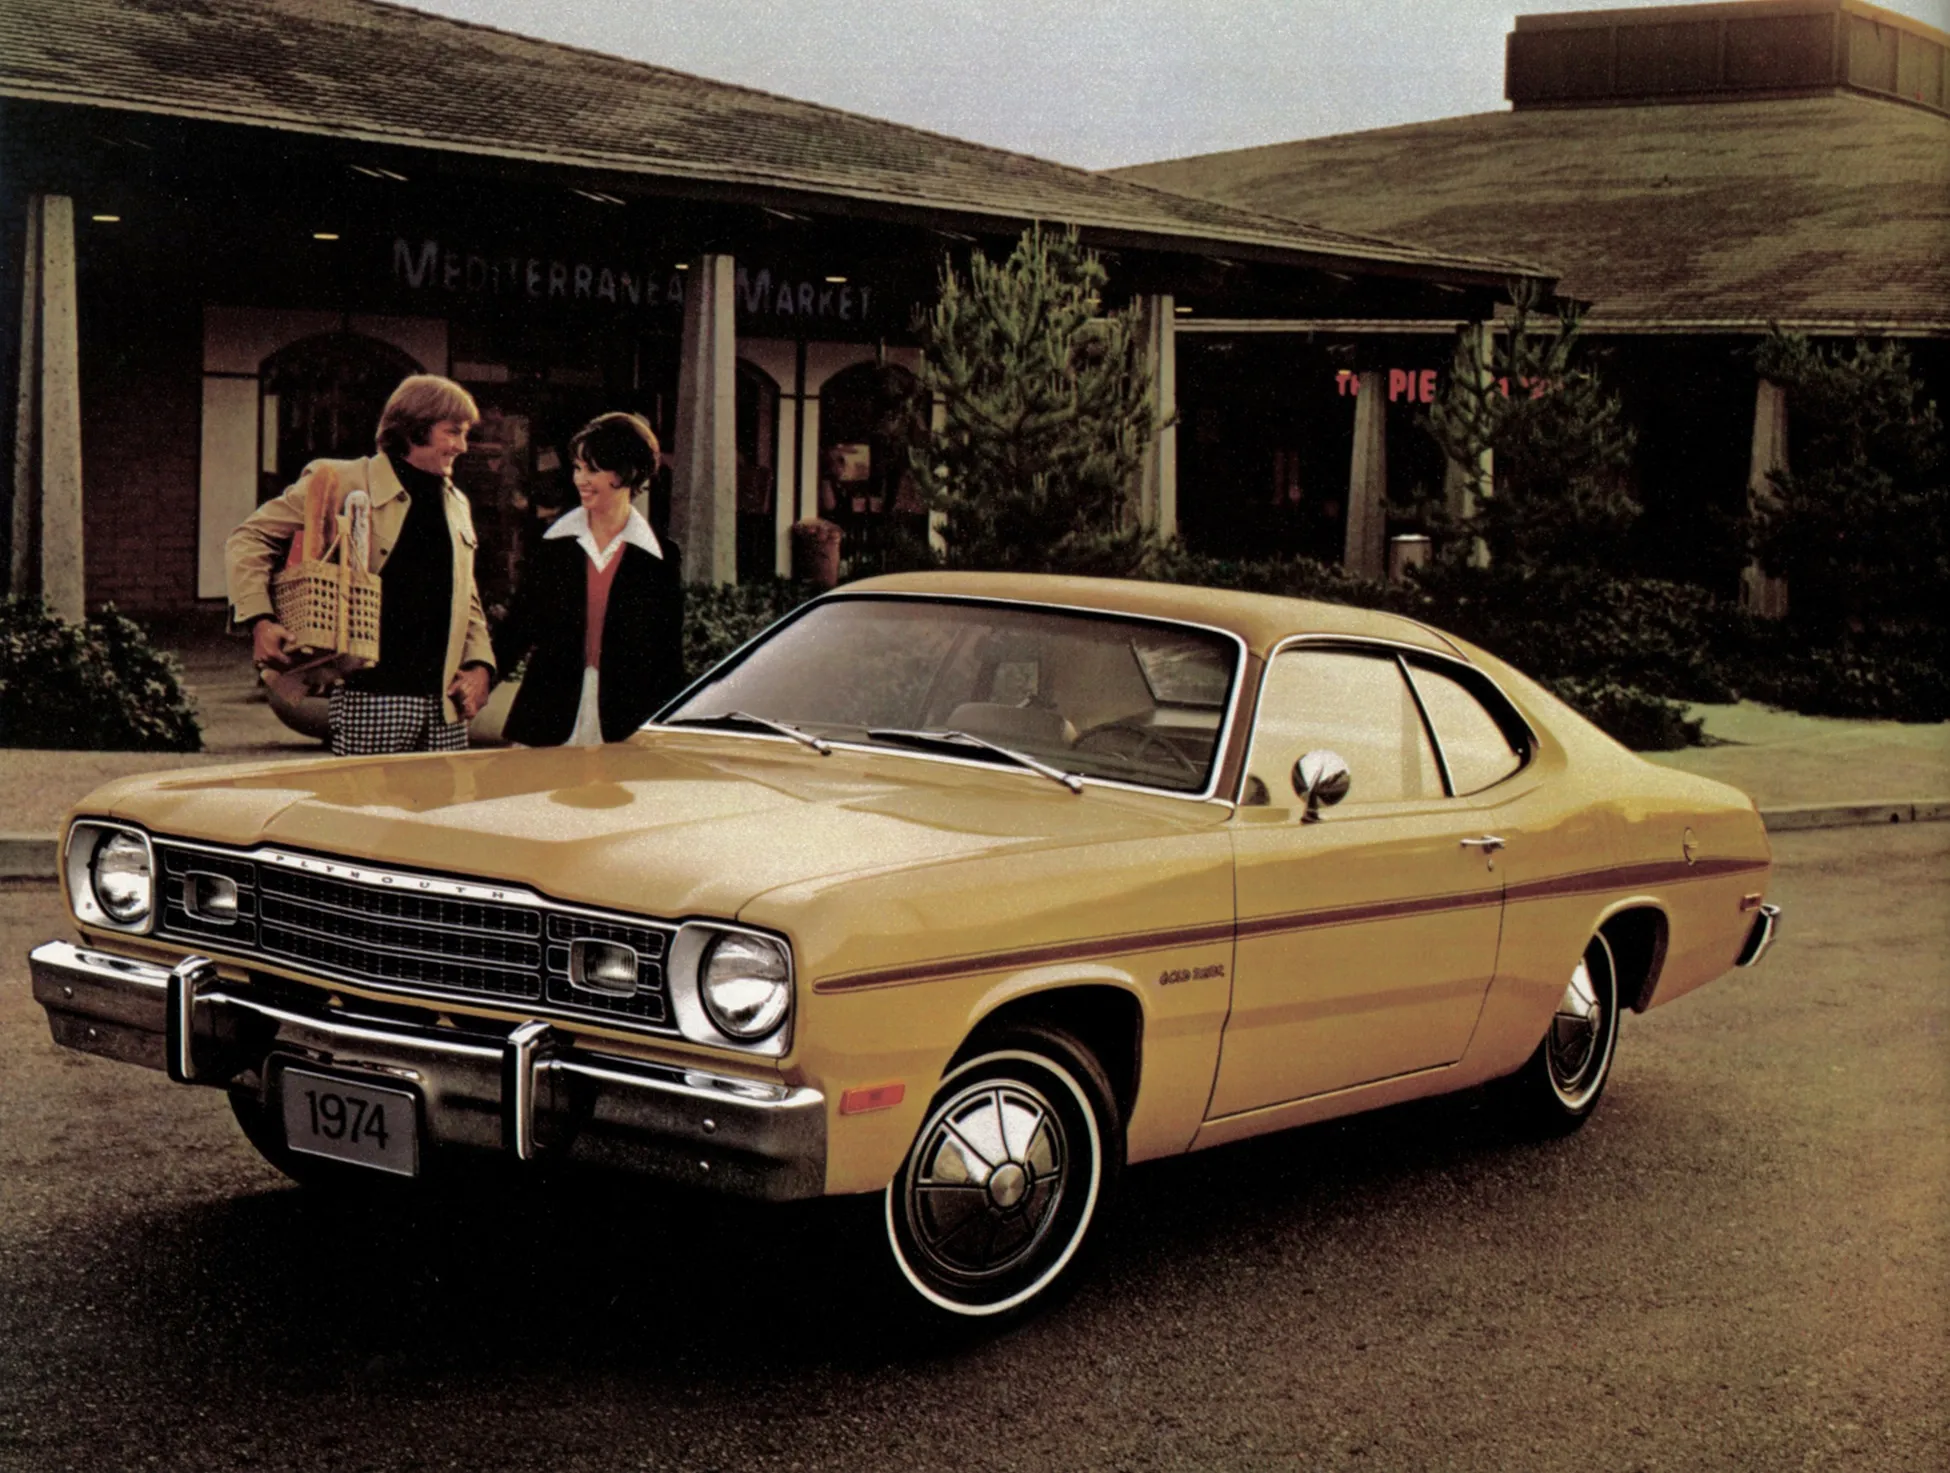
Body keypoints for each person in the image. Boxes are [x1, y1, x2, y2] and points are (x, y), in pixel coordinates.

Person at [227, 374, 497, 755]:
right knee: (363, 812)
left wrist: (481, 665)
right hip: (370, 698)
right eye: (452, 432)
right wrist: (259, 618)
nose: (462, 446)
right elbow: (249, 537)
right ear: (414, 427)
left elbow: (466, 597)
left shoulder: (457, 504)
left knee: (439, 814)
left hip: (444, 708)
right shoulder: (343, 479)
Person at [496, 412, 684, 747]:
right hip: (547, 718)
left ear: (626, 473)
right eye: (578, 468)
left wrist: (670, 732)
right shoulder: (554, 545)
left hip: (625, 727)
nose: (580, 479)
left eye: (592, 469)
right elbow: (517, 629)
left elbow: (667, 658)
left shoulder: (661, 558)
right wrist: (481, 680)